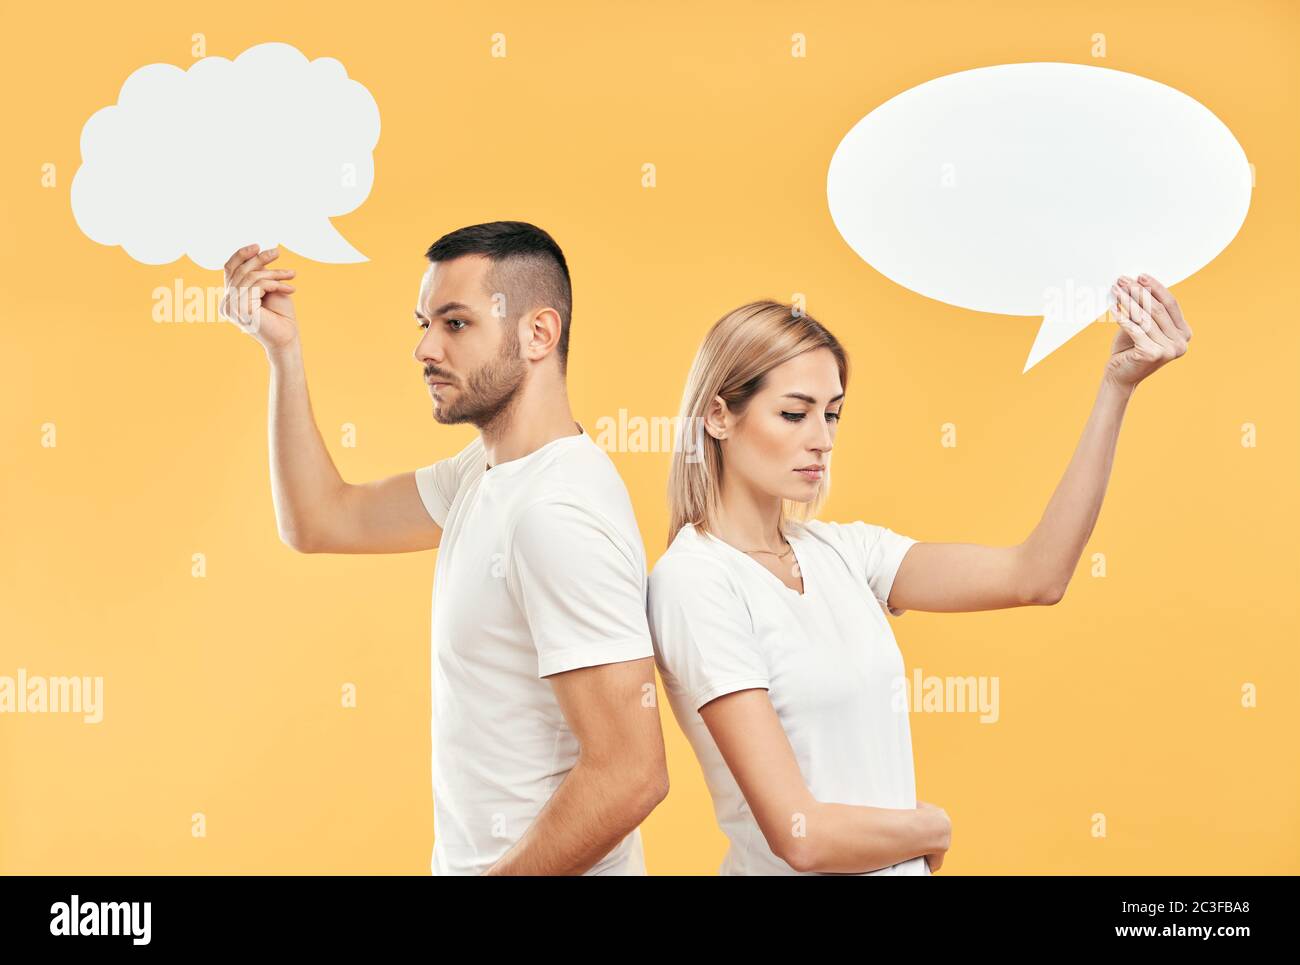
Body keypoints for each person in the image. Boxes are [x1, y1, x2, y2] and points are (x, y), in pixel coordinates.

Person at [647, 281, 1191, 875]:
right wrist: (930, 828)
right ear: (719, 416)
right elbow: (801, 836)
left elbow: (1037, 575)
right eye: (794, 413)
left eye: (832, 415)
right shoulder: (695, 581)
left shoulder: (845, 551)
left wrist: (1116, 387)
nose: (822, 440)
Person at [219, 221, 669, 875]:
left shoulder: (556, 513)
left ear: (538, 334)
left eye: (455, 324)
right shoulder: (484, 474)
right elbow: (320, 519)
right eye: (424, 322)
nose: (424, 348)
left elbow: (633, 773)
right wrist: (281, 351)